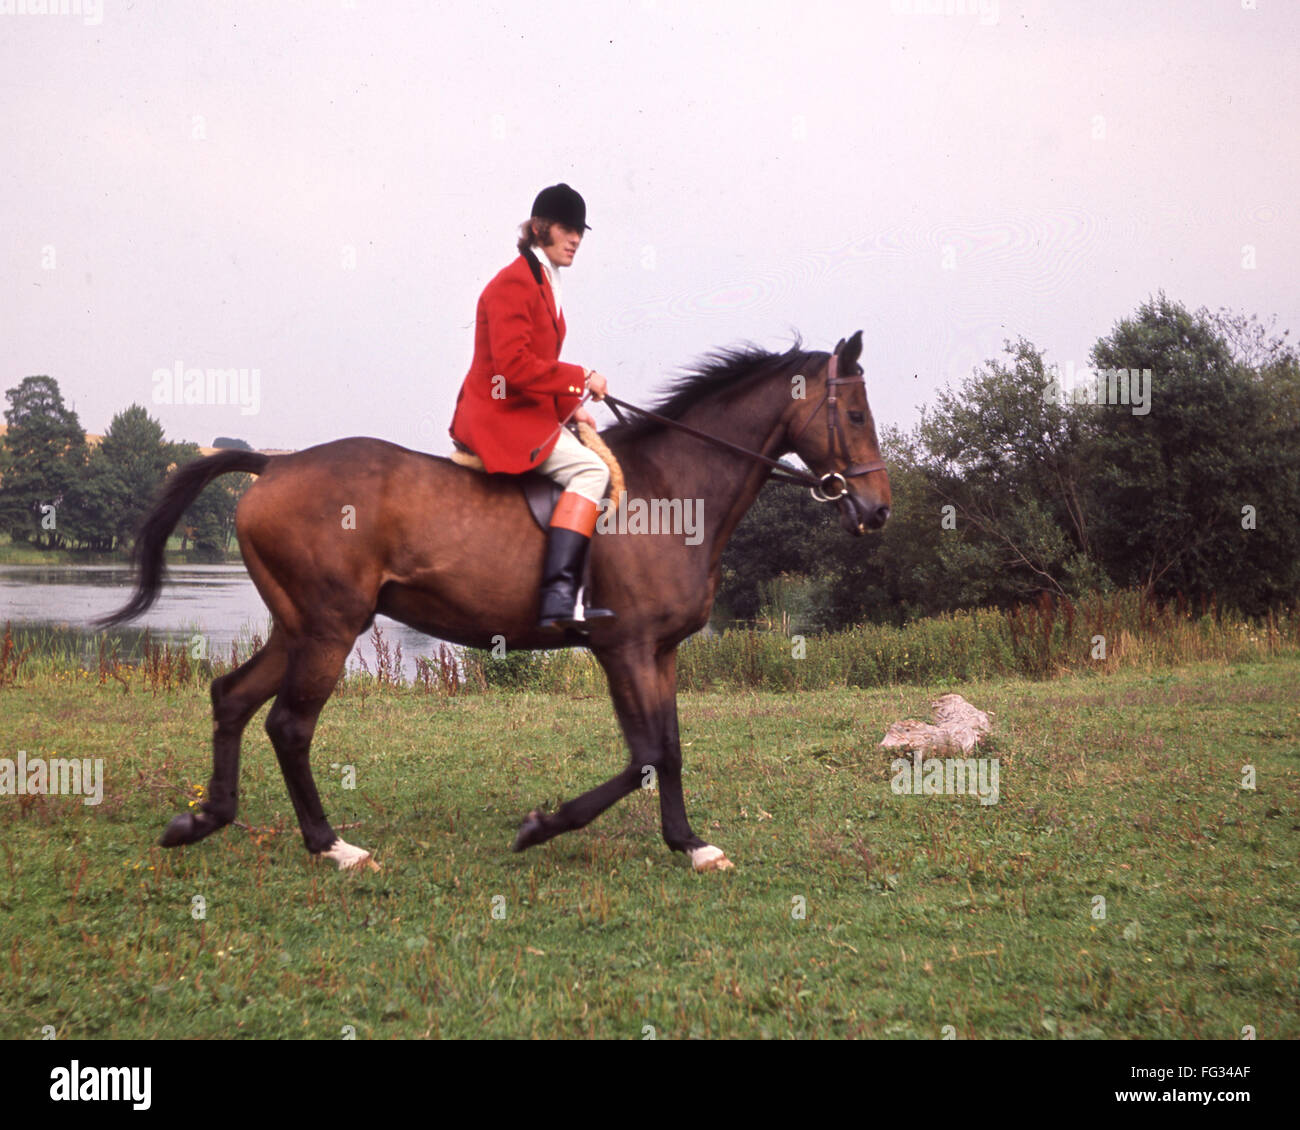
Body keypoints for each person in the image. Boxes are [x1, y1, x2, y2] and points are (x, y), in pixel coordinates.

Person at [449, 183, 616, 632]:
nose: (576, 238)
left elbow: (540, 362)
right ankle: (558, 596)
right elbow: (515, 366)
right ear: (540, 228)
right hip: (500, 412)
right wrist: (582, 377)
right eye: (567, 229)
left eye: (580, 231)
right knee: (592, 471)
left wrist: (572, 407)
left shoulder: (544, 279)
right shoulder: (514, 282)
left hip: (525, 408)